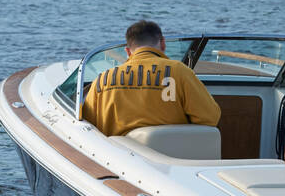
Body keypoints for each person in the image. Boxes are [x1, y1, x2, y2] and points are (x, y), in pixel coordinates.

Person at [82, 20, 221, 138]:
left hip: (120, 161)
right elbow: (210, 117)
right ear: (163, 44)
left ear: (128, 51)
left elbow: (89, 127)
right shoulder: (180, 72)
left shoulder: (103, 79)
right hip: (173, 161)